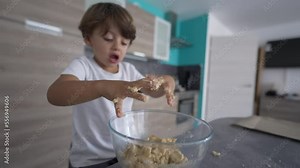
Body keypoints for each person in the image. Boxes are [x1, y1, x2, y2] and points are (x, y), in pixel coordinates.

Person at [47, 2, 175, 168]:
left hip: (123, 153)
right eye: (108, 38)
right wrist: (103, 87)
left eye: (124, 43)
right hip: (89, 160)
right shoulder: (83, 66)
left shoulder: (129, 70)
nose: (117, 47)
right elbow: (54, 94)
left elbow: (153, 91)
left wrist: (166, 82)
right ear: (88, 38)